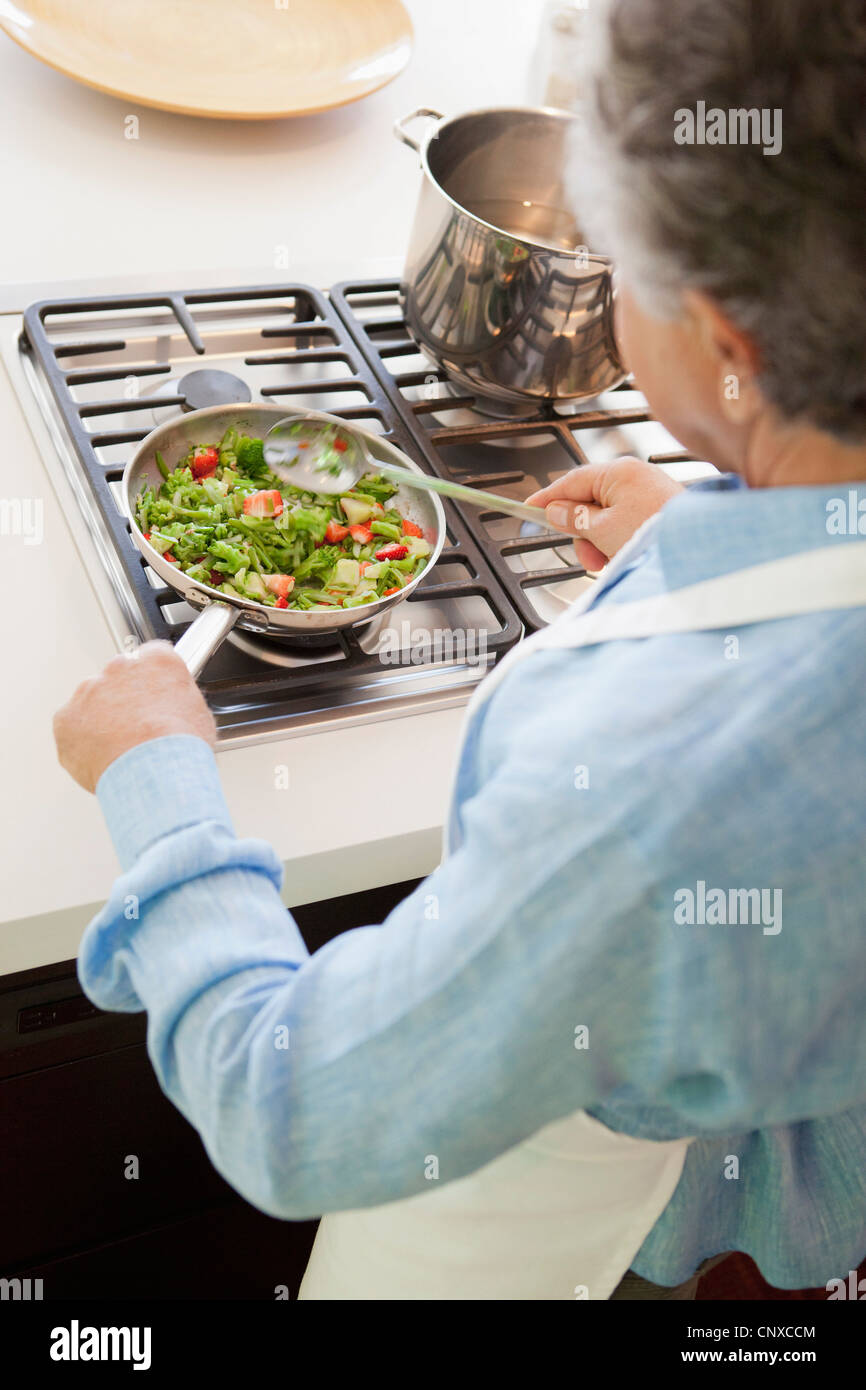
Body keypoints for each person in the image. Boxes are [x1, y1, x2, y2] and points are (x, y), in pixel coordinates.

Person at [54, 0, 866, 1299]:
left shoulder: (662, 799)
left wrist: (156, 779)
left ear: (725, 344)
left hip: (597, 1241)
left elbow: (289, 1105)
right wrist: (723, 518)